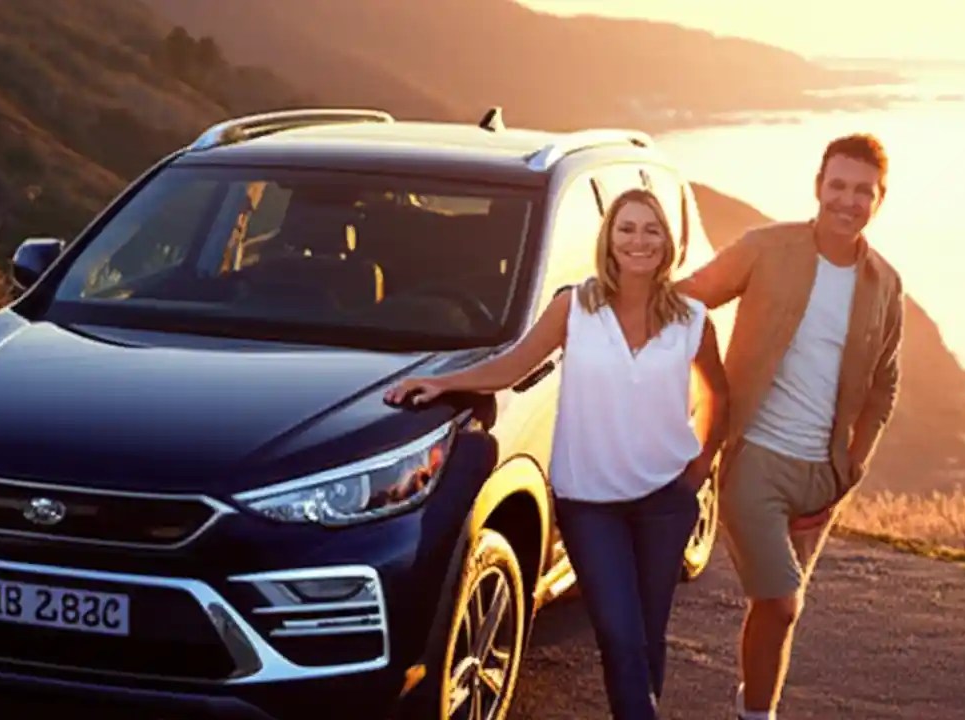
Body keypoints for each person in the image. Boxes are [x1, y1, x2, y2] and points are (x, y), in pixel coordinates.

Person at [386, 188, 729, 720]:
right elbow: (513, 366)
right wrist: (439, 383)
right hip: (590, 504)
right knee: (618, 632)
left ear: (667, 243)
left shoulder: (691, 319)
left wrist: (699, 469)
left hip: (665, 500)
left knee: (646, 634)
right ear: (609, 240)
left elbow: (716, 394)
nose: (639, 241)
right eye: (627, 229)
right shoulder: (577, 306)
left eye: (651, 230)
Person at [675, 133, 904, 720]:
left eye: (862, 191)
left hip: (824, 473)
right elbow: (687, 301)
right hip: (755, 458)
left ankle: (755, 707)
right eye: (838, 186)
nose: (848, 201)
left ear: (879, 199)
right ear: (818, 187)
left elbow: (884, 385)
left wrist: (854, 464)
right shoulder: (765, 248)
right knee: (782, 603)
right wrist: (712, 388)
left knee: (777, 611)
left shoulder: (885, 284)